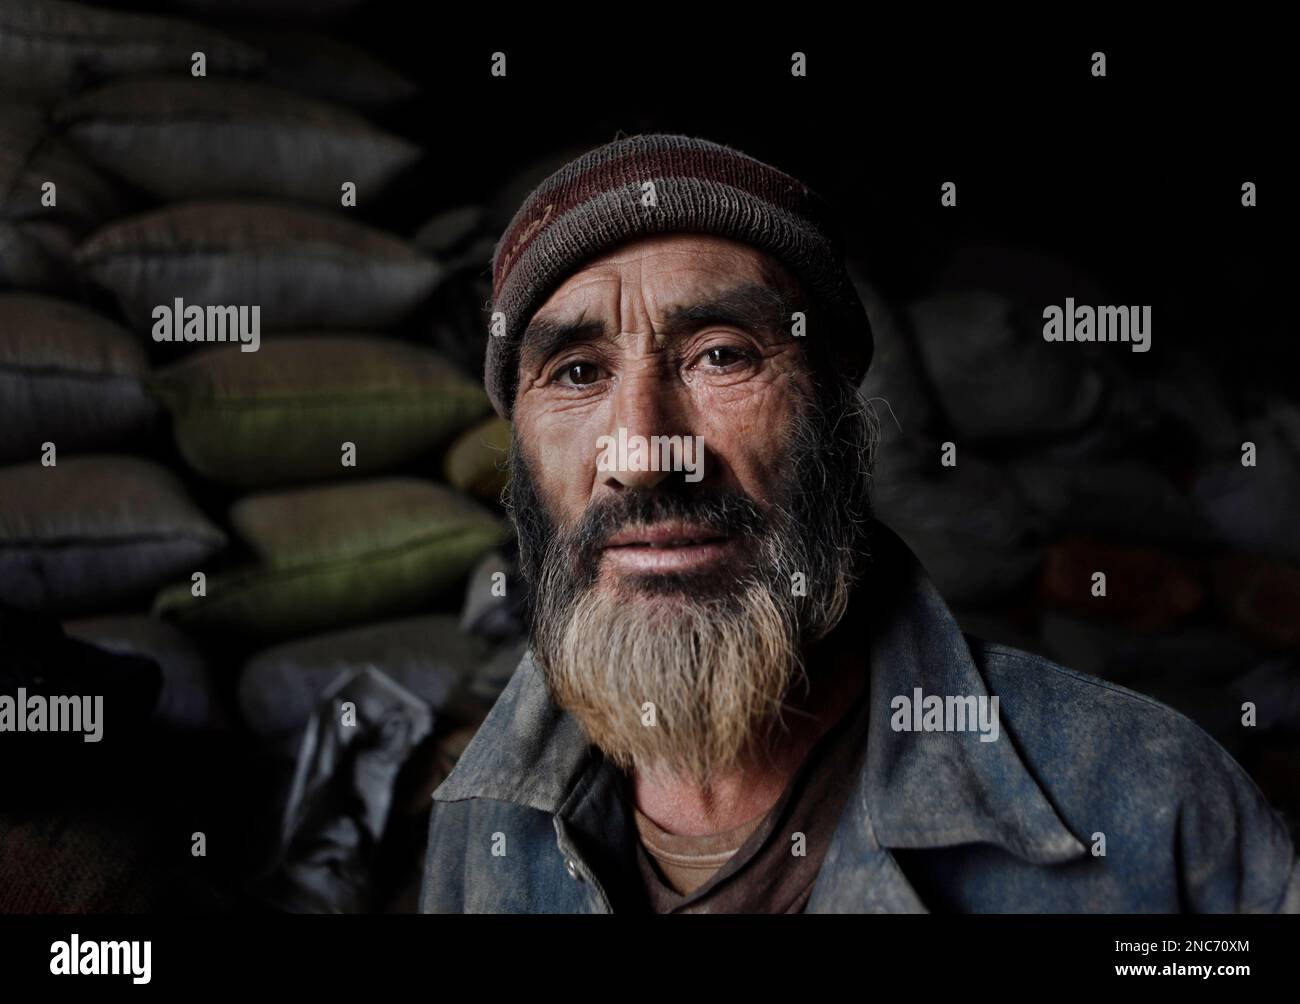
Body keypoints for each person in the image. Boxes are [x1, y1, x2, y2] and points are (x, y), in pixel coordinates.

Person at [420, 133, 1299, 913]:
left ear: (838, 415)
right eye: (576, 373)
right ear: (522, 453)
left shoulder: (1145, 801)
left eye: (722, 355)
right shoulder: (482, 825)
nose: (645, 452)